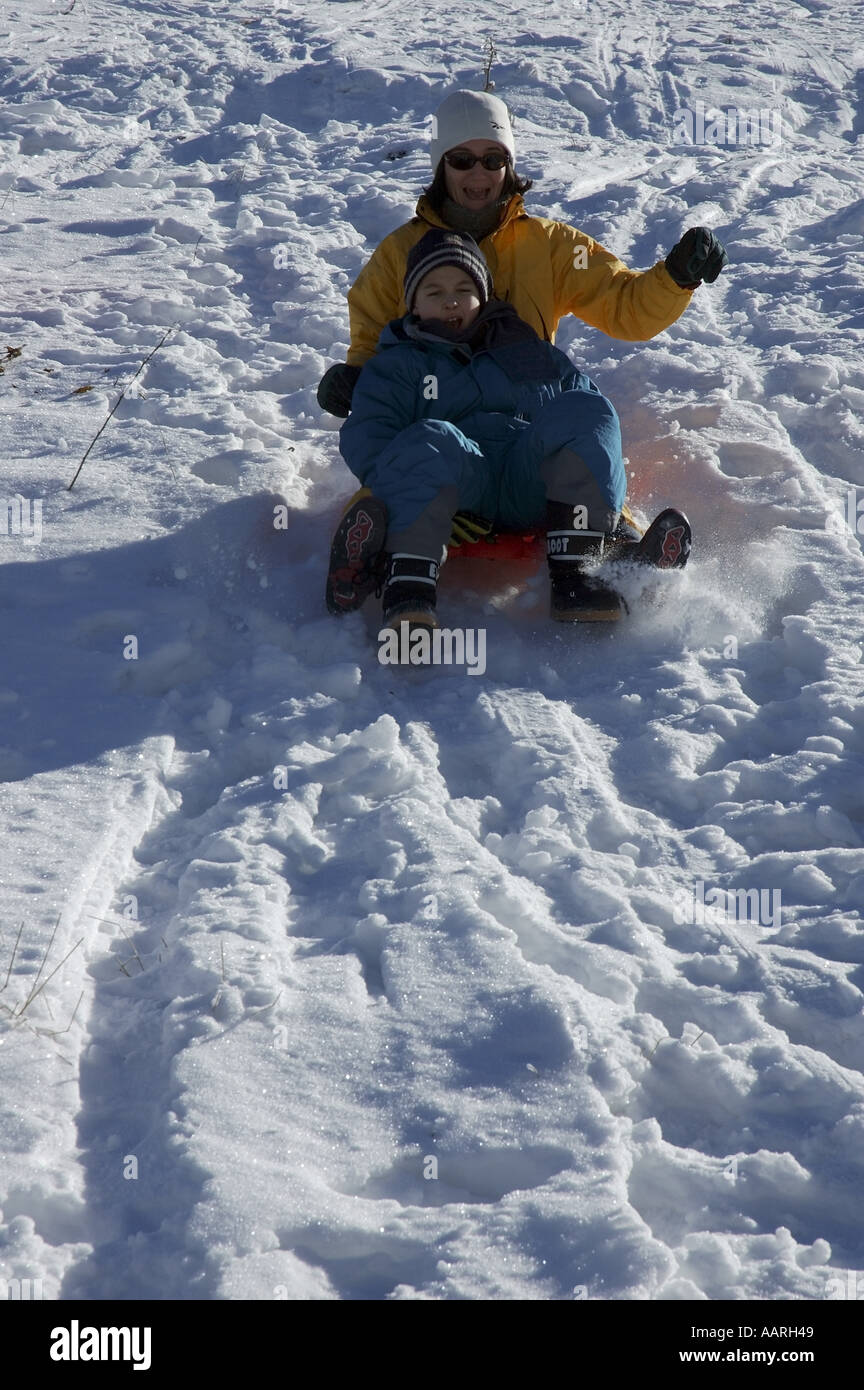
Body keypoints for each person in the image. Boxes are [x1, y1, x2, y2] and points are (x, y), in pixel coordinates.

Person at [321, 88, 727, 622]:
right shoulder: (400, 254)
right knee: (410, 462)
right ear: (440, 166)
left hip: (525, 433)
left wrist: (673, 280)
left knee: (584, 429)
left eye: (493, 159)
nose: (478, 173)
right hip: (437, 437)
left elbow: (624, 305)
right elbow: (377, 349)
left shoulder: (551, 245)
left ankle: (609, 554)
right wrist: (354, 376)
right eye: (461, 159)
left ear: (509, 166)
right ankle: (371, 559)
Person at [336, 228, 643, 628]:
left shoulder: (533, 354)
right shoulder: (398, 365)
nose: (450, 300)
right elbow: (369, 435)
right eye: (433, 292)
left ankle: (580, 575)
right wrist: (406, 498)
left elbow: (592, 431)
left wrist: (613, 509)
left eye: (464, 289)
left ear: (483, 297)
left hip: (528, 482)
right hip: (458, 488)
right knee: (432, 436)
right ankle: (408, 592)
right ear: (412, 305)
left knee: (588, 407)